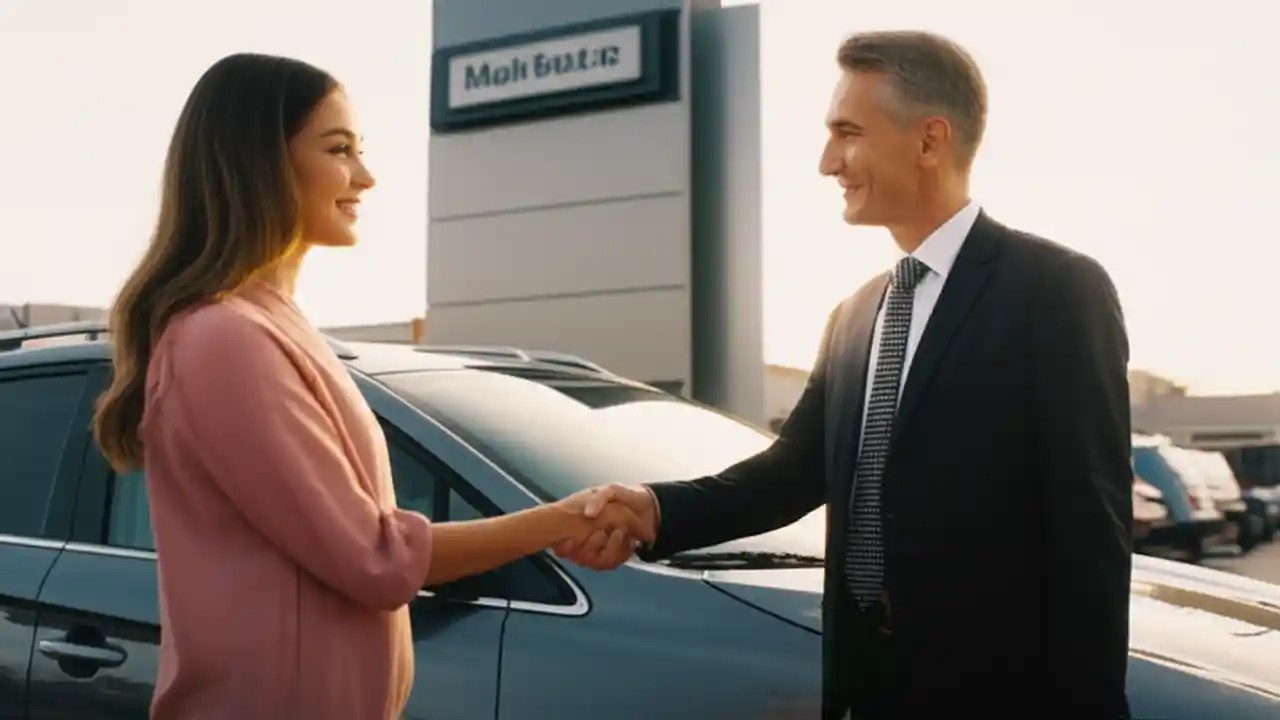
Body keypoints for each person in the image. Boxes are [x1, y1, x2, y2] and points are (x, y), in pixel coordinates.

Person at [558, 30, 1133, 720]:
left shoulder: (1056, 291)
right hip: (865, 690)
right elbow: (794, 472)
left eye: (848, 133)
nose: (828, 162)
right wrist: (655, 508)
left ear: (929, 141)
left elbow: (1091, 536)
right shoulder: (854, 315)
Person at [89, 53, 651, 720]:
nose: (366, 176)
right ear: (260, 162)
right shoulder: (223, 339)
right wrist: (563, 517)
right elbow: (375, 558)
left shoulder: (271, 327)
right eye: (339, 150)